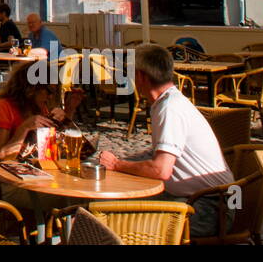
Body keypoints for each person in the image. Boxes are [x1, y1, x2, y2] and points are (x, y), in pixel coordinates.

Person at [98, 44, 232, 237]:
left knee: (112, 220)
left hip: (210, 209)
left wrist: (118, 164)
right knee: (109, 208)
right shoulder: (168, 101)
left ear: (141, 76)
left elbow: (160, 169)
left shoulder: (170, 108)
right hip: (206, 200)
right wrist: (121, 163)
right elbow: (156, 155)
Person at [0, 66, 83, 160]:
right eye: (49, 91)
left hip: (38, 167)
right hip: (12, 171)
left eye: (54, 93)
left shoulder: (39, 105)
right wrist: (25, 128)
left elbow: (58, 146)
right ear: (31, 88)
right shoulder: (4, 106)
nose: (50, 97)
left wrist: (69, 110)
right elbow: (2, 157)